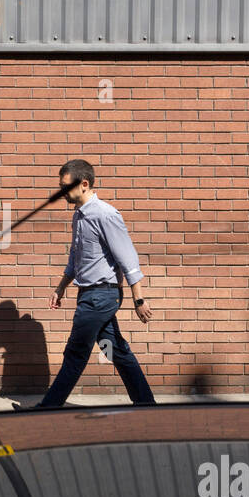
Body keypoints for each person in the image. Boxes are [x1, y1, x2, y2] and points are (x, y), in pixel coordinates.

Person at [36, 159, 156, 408]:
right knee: (116, 351)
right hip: (89, 294)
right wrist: (61, 287)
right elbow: (75, 258)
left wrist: (139, 299)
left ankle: (48, 408)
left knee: (75, 353)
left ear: (84, 184)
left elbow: (127, 257)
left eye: (64, 187)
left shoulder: (105, 214)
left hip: (101, 296)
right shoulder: (79, 216)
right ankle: (146, 404)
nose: (61, 192)